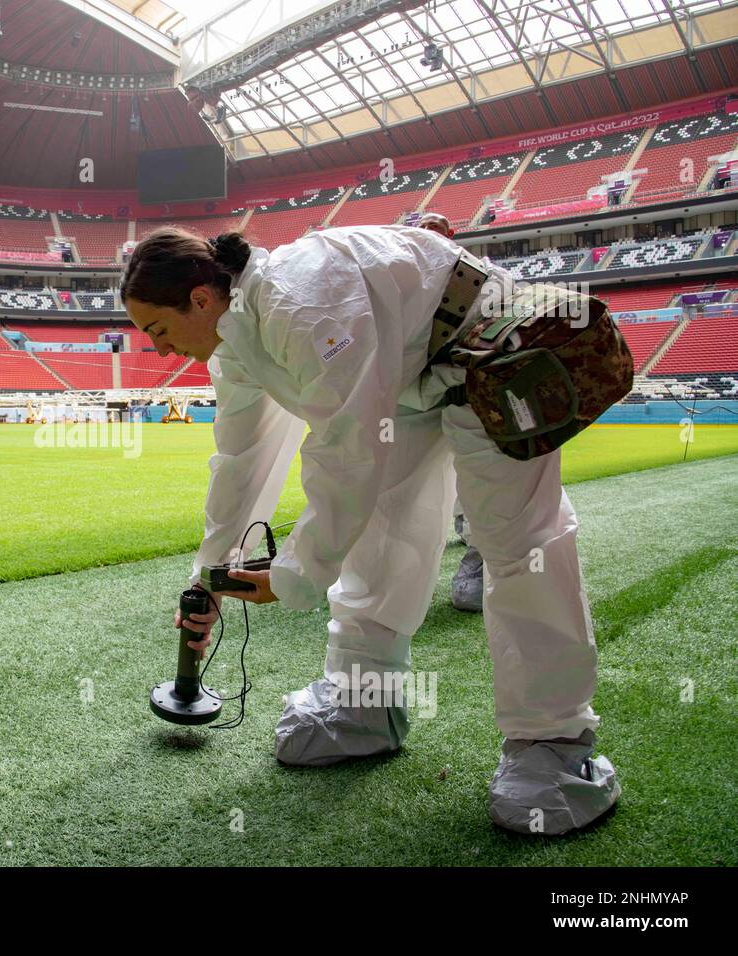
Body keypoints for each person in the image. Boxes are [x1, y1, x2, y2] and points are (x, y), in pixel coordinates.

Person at [120, 226, 621, 835]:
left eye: (159, 332)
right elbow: (241, 461)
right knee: (382, 532)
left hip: (487, 354)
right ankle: (365, 701)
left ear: (200, 299)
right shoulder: (235, 339)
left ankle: (557, 747)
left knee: (519, 545)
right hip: (407, 382)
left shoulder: (299, 301)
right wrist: (211, 577)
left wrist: (295, 576)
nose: (163, 351)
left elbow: (347, 450)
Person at [417, 211, 483, 613]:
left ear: (451, 234)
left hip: (465, 391)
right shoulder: (407, 281)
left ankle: (479, 552)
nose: (429, 239)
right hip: (418, 397)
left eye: (435, 232)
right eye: (422, 232)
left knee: (474, 466)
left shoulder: (476, 279)